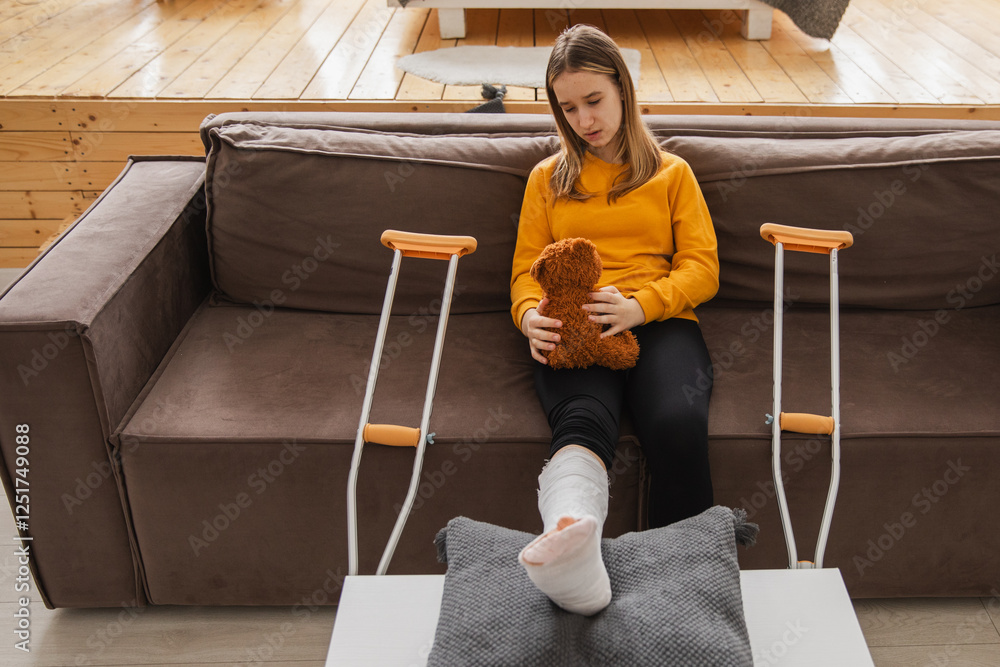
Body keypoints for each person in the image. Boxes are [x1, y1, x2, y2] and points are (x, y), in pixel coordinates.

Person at [510, 24, 720, 616]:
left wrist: (641, 305)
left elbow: (702, 269)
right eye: (568, 107)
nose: (583, 119)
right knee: (582, 419)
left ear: (623, 90)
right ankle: (574, 560)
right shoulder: (545, 181)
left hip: (658, 319)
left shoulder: (672, 174)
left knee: (677, 419)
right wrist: (530, 316)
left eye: (594, 100)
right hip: (572, 324)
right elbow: (526, 271)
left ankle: (687, 588)